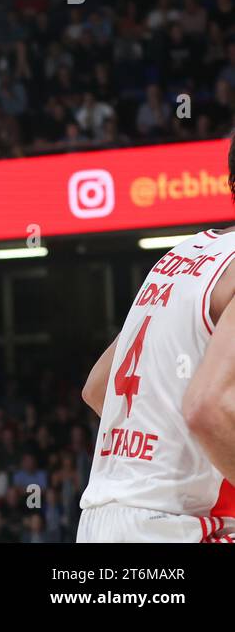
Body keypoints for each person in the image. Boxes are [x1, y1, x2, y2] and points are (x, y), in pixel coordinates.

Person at [78, 134, 235, 541]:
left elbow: (97, 389)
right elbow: (206, 408)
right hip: (178, 526)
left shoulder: (178, 256)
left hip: (100, 520)